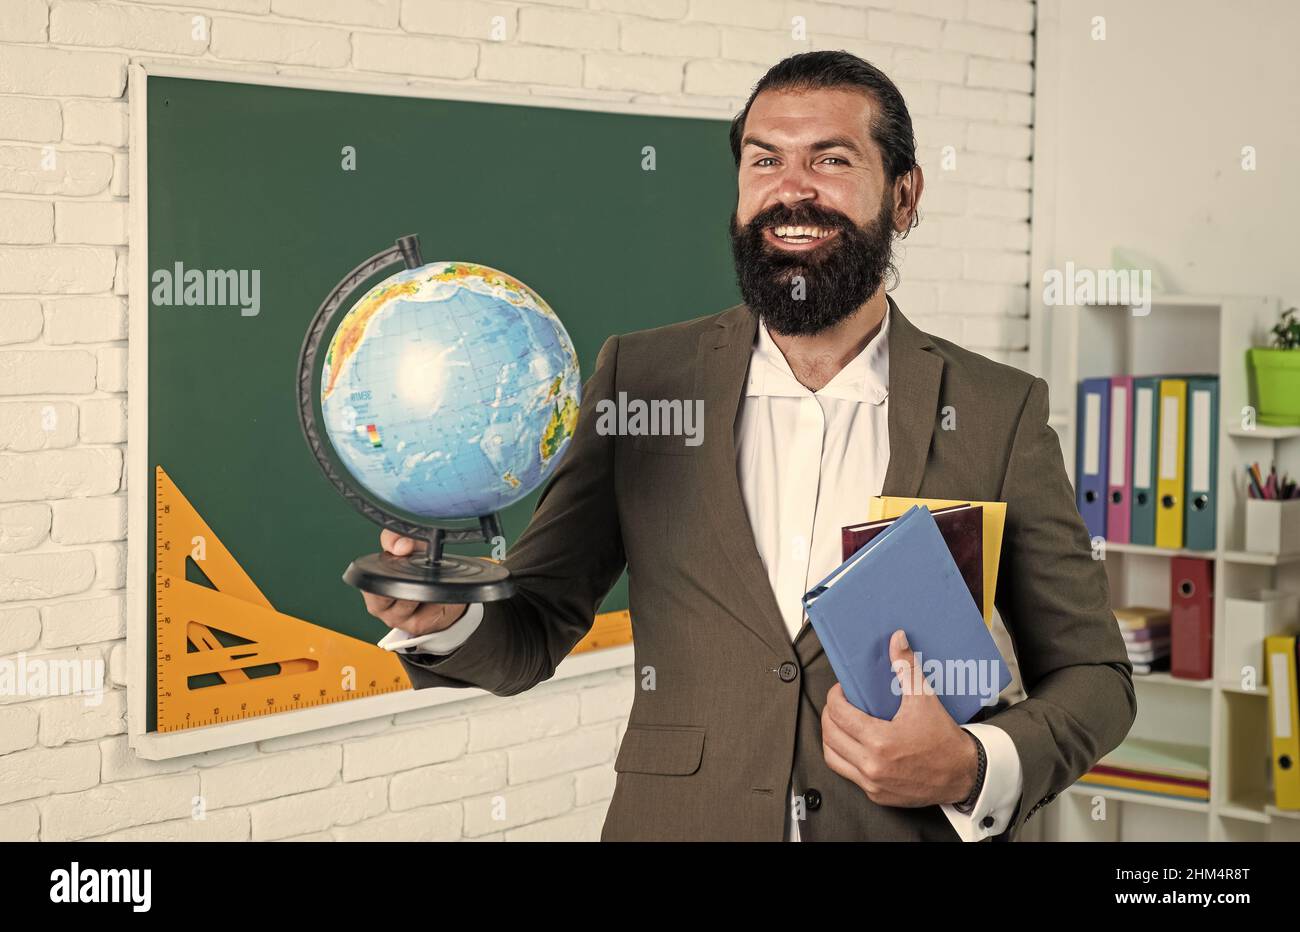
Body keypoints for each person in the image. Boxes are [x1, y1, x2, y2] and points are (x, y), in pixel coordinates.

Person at [363, 50, 1135, 842]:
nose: (791, 189)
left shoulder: (996, 410)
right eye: (765, 160)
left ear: (904, 196)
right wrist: (450, 621)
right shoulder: (643, 378)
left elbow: (1095, 677)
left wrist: (973, 764)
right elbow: (533, 631)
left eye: (831, 160)